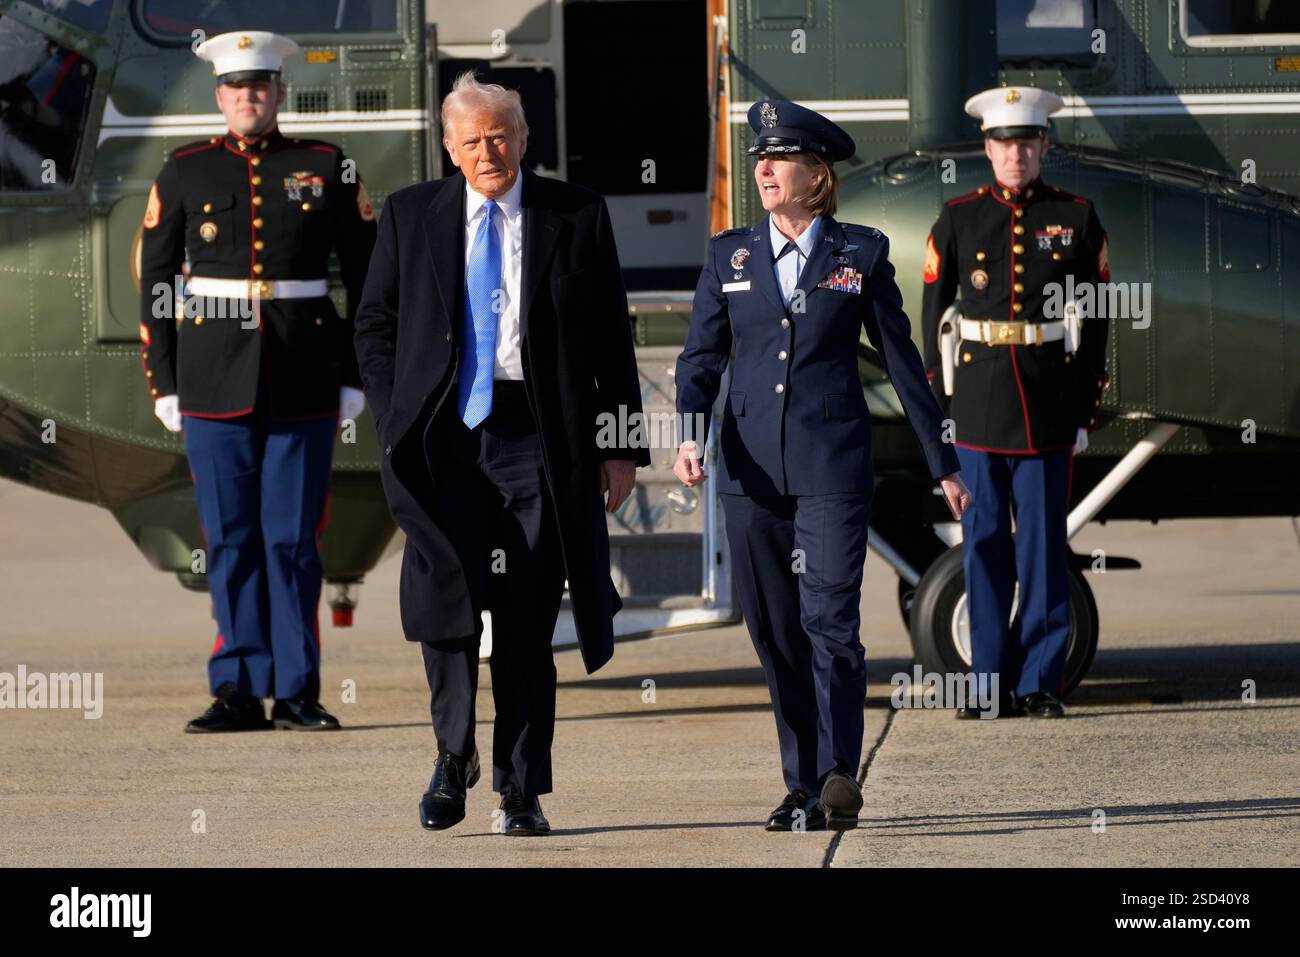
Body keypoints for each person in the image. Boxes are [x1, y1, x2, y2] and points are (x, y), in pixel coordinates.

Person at [353, 72, 649, 836]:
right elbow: (375, 325)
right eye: (473, 139)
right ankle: (453, 760)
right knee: (445, 603)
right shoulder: (410, 214)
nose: (490, 150)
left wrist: (620, 447)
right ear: (450, 148)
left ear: (524, 138)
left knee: (523, 619)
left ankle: (522, 789)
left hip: (536, 437)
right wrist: (392, 419)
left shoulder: (575, 214)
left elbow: (613, 339)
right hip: (441, 438)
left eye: (502, 135)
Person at [674, 100, 969, 832]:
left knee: (829, 619)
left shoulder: (859, 254)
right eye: (759, 161)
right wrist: (687, 433)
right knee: (776, 631)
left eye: (781, 160)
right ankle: (799, 780)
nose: (764, 171)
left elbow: (904, 366)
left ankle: (838, 772)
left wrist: (945, 462)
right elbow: (700, 359)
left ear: (817, 175)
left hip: (833, 467)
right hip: (749, 474)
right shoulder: (729, 256)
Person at [138, 31, 377, 733]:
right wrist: (165, 378)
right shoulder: (184, 171)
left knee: (293, 539)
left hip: (303, 377)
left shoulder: (327, 166)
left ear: (279, 93)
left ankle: (297, 689)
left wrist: (355, 374)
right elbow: (155, 282)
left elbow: (368, 279)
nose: (250, 98)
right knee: (231, 537)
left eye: (261, 87)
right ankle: (237, 686)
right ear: (220, 97)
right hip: (212, 383)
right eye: (237, 88)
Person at [920, 86, 1110, 720]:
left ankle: (1039, 685)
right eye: (1005, 145)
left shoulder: (1077, 217)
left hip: (1048, 404)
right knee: (983, 546)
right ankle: (986, 686)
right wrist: (940, 406)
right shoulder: (958, 218)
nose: (1016, 156)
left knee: (1042, 551)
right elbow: (931, 315)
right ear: (988, 149)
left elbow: (1099, 320)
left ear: (1043, 147)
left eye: (1027, 145)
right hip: (976, 405)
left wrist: (1085, 408)